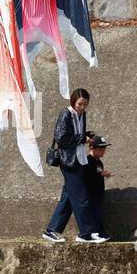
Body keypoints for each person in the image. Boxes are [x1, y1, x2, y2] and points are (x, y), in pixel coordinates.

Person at [42, 89, 107, 243]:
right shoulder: (66, 114)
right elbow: (61, 138)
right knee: (81, 198)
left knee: (68, 198)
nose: (82, 107)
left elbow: (78, 134)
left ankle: (52, 230)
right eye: (79, 104)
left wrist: (87, 135)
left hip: (79, 159)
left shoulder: (82, 114)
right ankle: (86, 233)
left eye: (85, 104)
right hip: (68, 161)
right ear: (73, 102)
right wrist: (81, 138)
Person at [84, 134, 111, 238]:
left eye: (104, 149)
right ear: (92, 148)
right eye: (100, 149)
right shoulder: (87, 160)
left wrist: (103, 173)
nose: (103, 151)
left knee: (98, 214)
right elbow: (87, 176)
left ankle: (100, 233)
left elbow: (98, 172)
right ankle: (96, 234)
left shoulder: (99, 162)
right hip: (90, 195)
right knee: (93, 215)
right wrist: (100, 174)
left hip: (97, 194)